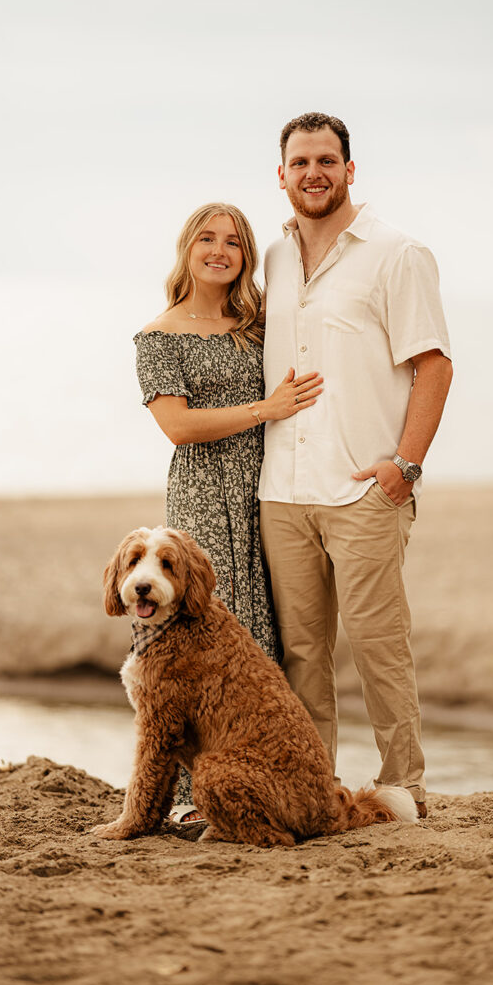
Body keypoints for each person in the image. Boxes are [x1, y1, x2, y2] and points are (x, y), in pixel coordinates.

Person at [259, 113, 453, 818]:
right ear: (280, 174)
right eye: (300, 161)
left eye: (327, 161)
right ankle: (315, 789)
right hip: (281, 490)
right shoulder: (272, 258)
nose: (314, 173)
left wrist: (405, 464)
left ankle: (405, 784)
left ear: (348, 171)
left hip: (364, 489)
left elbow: (434, 365)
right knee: (303, 656)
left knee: (380, 647)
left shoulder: (397, 253)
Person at [134, 202, 322, 824]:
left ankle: (271, 785)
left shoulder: (256, 324)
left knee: (258, 639)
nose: (221, 250)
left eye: (234, 242)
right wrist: (264, 411)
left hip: (264, 489)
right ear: (188, 248)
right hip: (203, 495)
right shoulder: (158, 337)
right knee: (197, 644)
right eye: (207, 239)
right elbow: (179, 427)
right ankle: (191, 799)